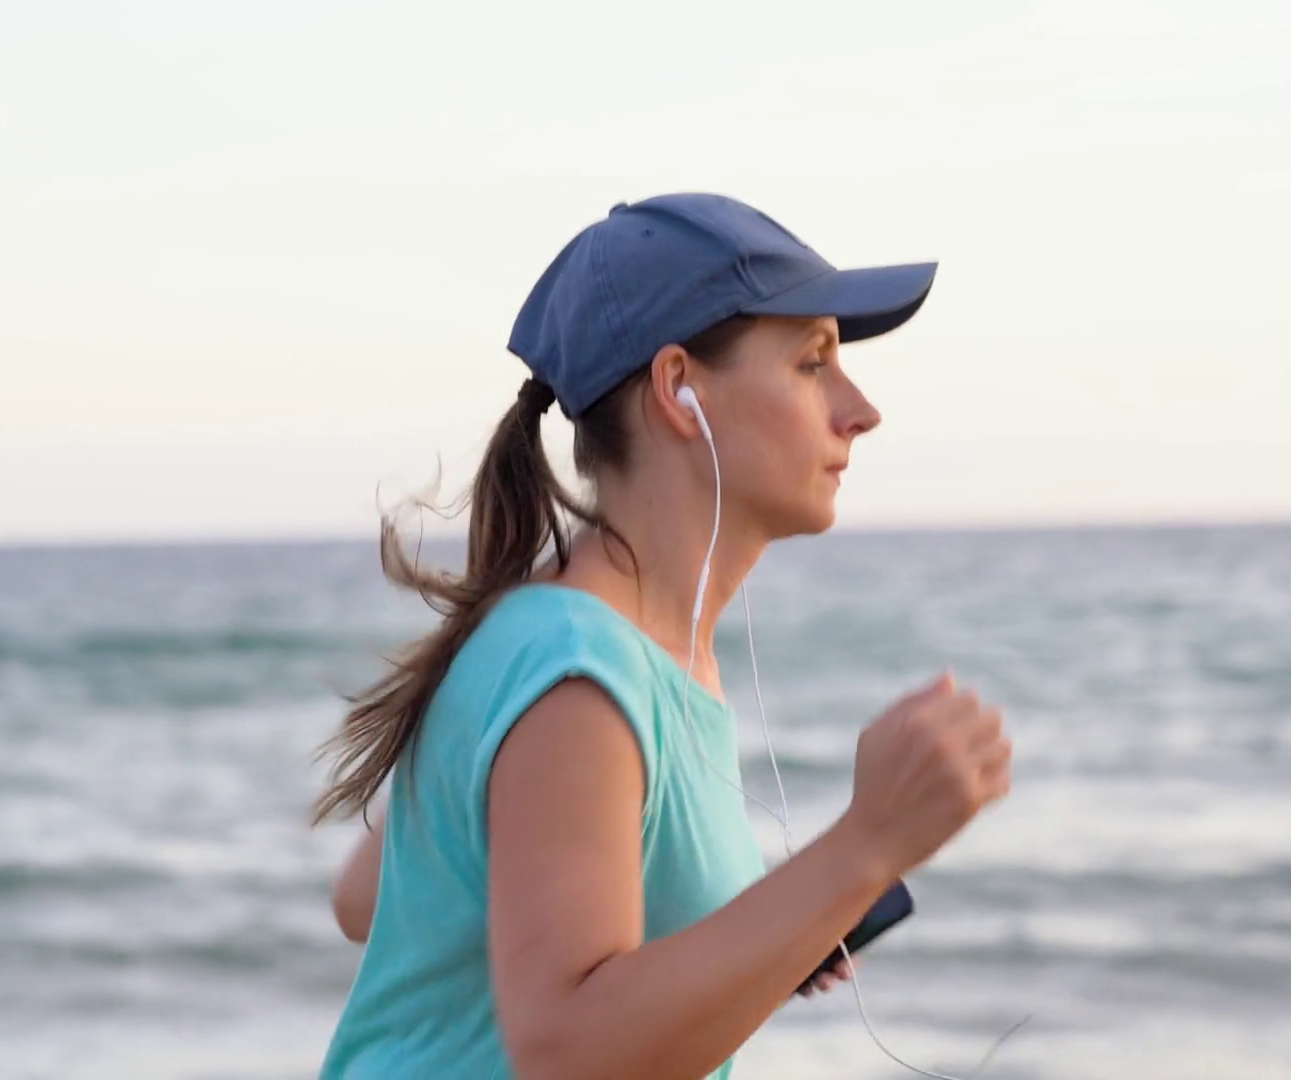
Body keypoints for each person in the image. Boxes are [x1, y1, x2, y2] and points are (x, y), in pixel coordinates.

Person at [310, 193, 1013, 1079]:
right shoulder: (577, 670)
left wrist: (754, 939)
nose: (860, 408)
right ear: (680, 389)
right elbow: (568, 1049)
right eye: (812, 363)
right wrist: (866, 847)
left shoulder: (601, 640)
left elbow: (377, 894)